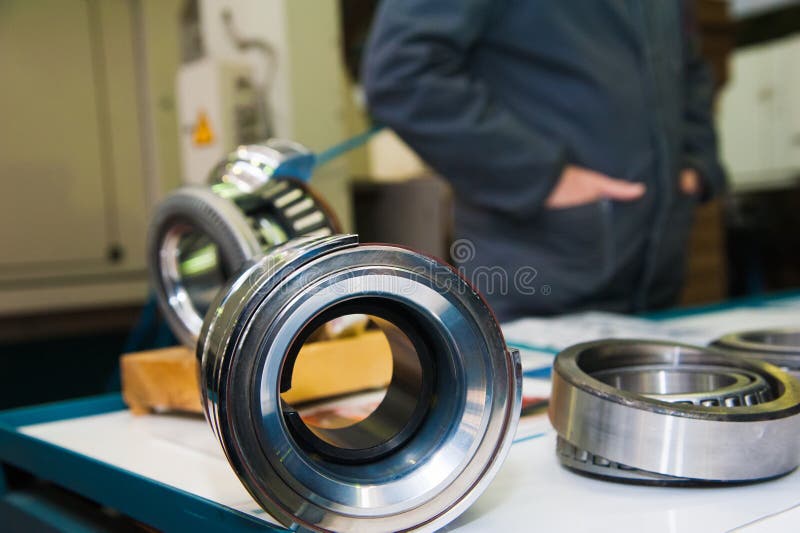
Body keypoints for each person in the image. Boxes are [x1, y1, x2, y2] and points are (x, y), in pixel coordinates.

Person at [362, 1, 727, 321]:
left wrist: (695, 163)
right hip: (544, 274)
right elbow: (403, 73)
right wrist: (543, 178)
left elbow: (688, 66)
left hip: (658, 275)